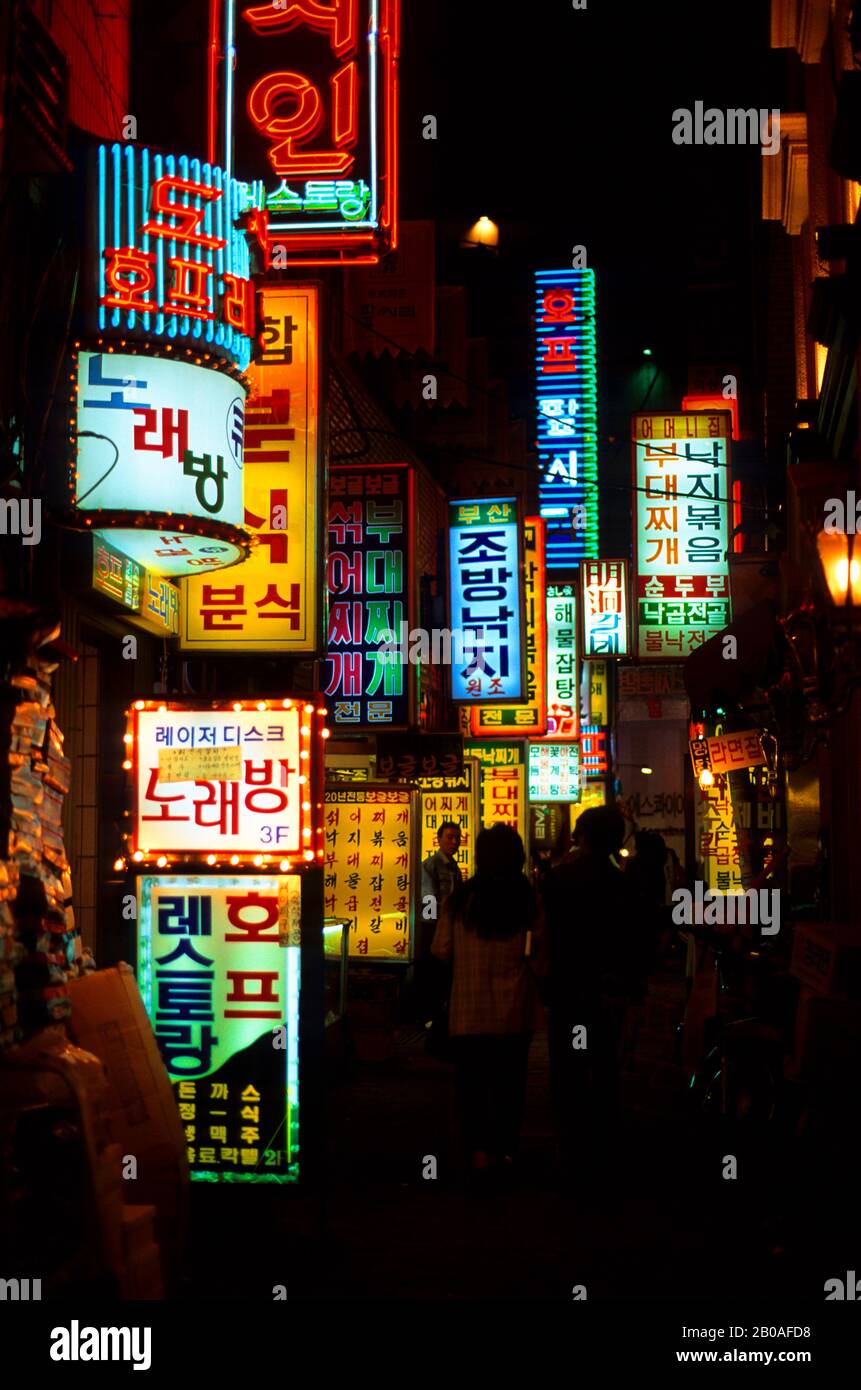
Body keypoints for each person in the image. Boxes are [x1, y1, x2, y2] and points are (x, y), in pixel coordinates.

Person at [431, 824, 547, 1183]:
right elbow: (539, 959)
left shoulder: (459, 901)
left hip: (467, 1013)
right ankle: (504, 1151)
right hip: (515, 1015)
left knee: (470, 1086)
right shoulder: (529, 902)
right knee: (509, 1086)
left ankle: (478, 1152)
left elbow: (441, 950)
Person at [542, 806, 644, 1172]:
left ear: (580, 837)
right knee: (603, 1071)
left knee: (567, 1072)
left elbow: (545, 940)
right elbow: (636, 946)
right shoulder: (626, 886)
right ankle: (603, 1150)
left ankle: (569, 1147)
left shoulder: (555, 882)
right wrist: (635, 995)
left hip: (567, 994)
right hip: (607, 996)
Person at [415, 823, 463, 1031]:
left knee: (444, 977)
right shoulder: (430, 866)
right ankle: (429, 1018)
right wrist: (436, 927)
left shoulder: (454, 867)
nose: (454, 842)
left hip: (448, 929)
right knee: (432, 976)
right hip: (432, 929)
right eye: (450, 837)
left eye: (457, 838)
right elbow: (428, 903)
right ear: (439, 839)